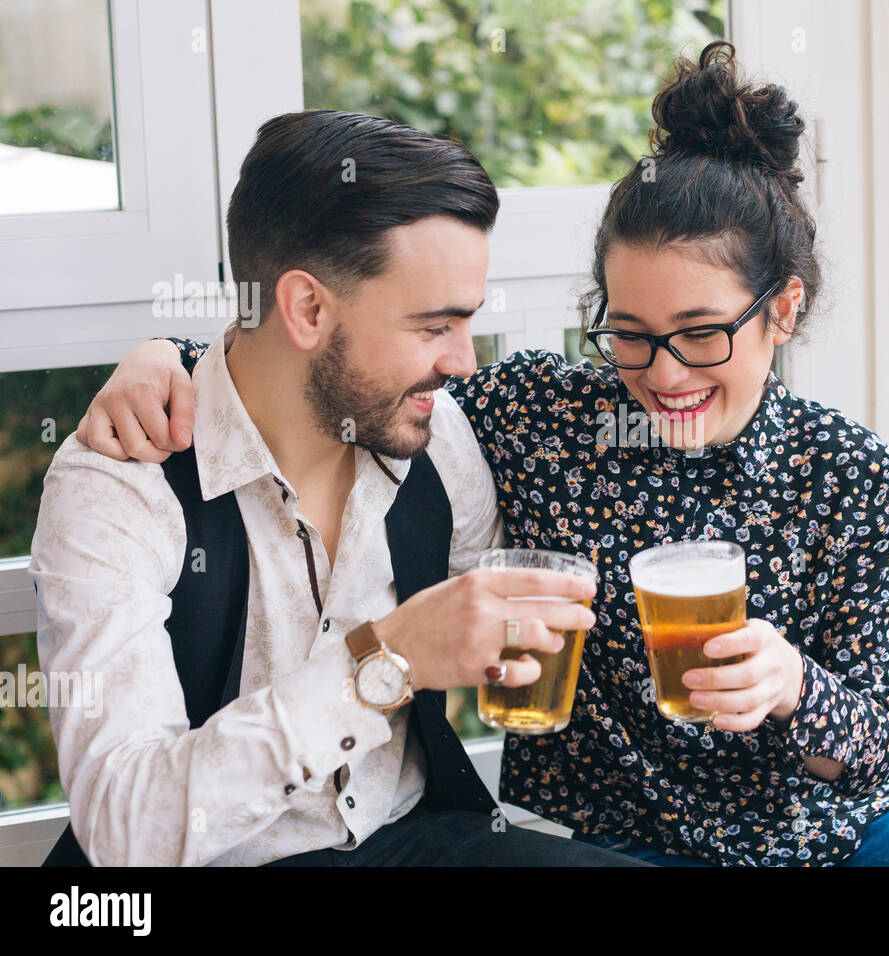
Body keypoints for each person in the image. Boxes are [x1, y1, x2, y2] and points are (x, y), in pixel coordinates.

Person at [77, 43, 889, 866]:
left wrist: (793, 686)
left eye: (699, 333)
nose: (661, 373)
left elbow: (868, 748)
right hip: (618, 836)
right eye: (628, 333)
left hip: (827, 832)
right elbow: (308, 364)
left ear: (782, 310)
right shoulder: (538, 414)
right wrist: (169, 356)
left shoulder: (848, 473)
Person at [30, 109, 649, 867]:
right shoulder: (120, 486)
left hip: (413, 839)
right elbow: (127, 831)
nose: (464, 361)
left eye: (469, 323)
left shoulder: (437, 433)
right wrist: (384, 664)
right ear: (307, 308)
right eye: (434, 327)